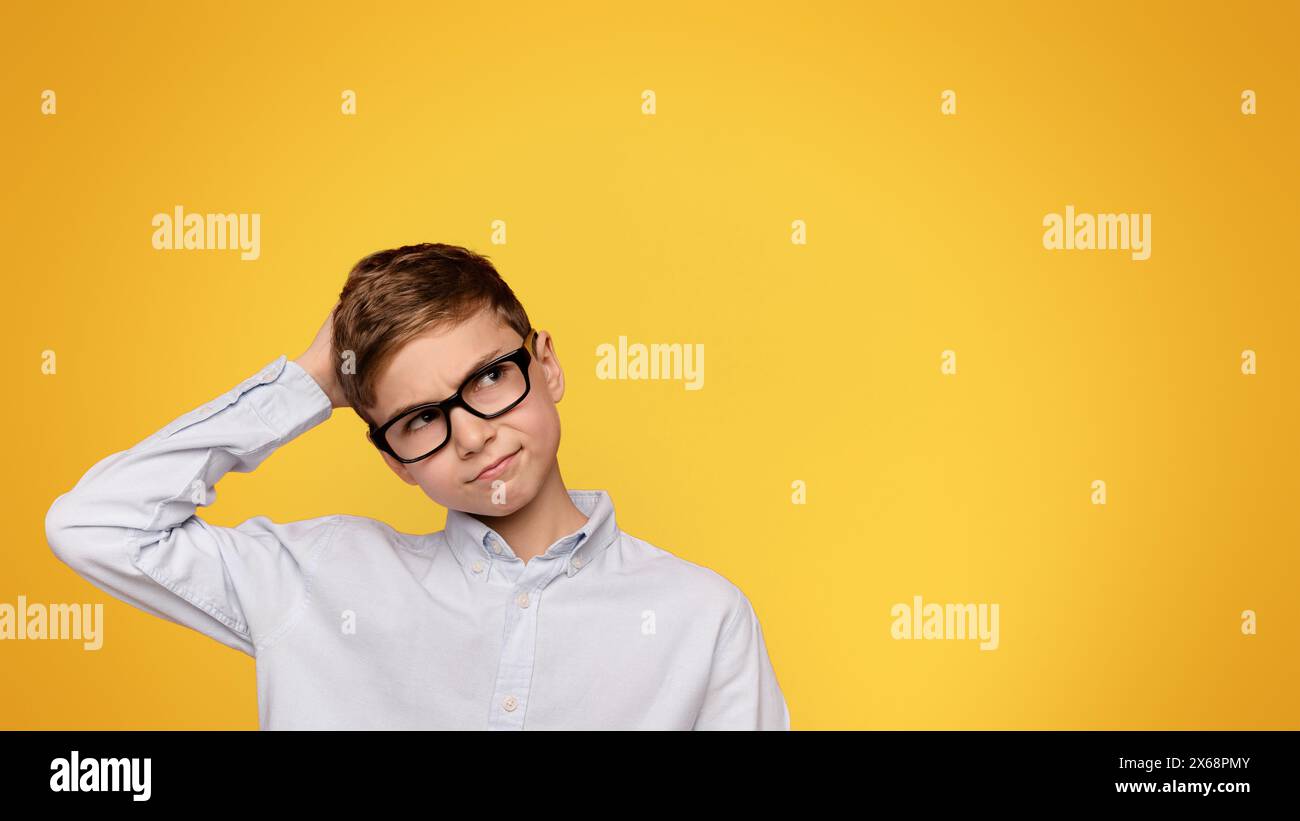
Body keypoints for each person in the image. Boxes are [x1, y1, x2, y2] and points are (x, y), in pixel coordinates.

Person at [44, 242, 790, 730]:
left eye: (490, 376)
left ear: (547, 364)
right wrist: (306, 384)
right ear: (393, 458)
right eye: (421, 418)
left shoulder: (701, 617)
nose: (472, 435)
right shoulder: (317, 579)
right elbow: (95, 525)